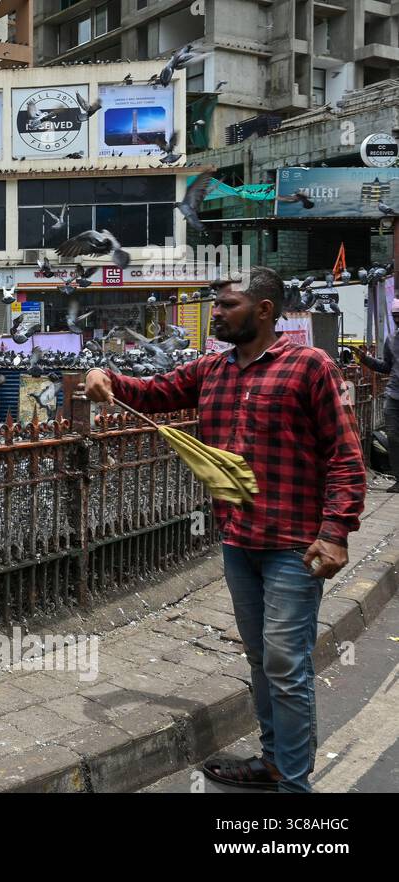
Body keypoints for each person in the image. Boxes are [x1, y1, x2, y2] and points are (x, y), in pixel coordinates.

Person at [83, 267, 366, 794]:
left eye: (227, 305)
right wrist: (110, 381)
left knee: (285, 662)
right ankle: (275, 760)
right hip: (239, 539)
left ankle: (295, 787)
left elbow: (345, 458)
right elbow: (153, 393)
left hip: (296, 542)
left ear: (263, 310)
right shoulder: (212, 369)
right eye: (215, 304)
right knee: (260, 657)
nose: (216, 312)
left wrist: (336, 530)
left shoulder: (310, 366)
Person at [350, 317, 399, 491]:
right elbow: (386, 366)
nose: (398, 320)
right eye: (396, 317)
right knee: (393, 437)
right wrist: (365, 359)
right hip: (394, 395)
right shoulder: (392, 340)